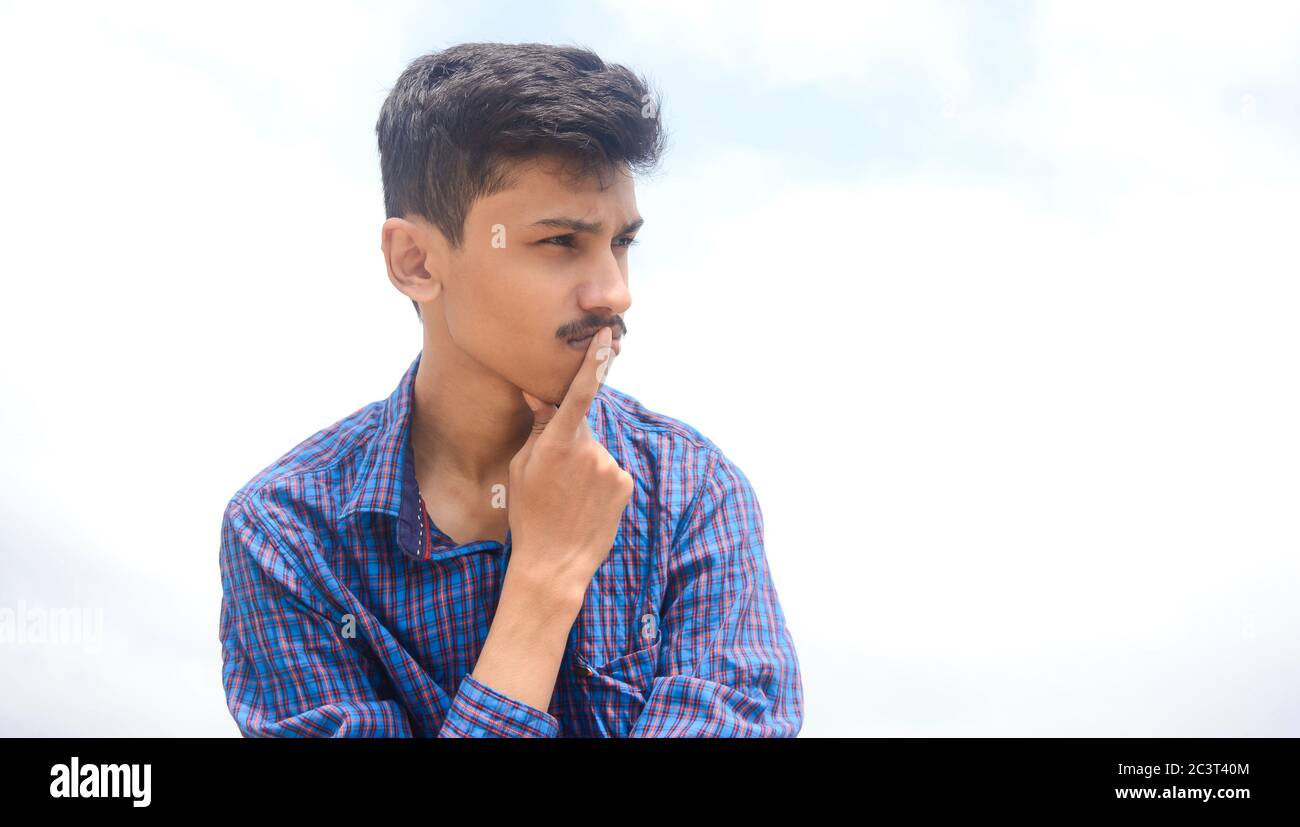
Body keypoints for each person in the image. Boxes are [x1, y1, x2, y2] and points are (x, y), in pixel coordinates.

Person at [218, 42, 803, 737]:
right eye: (560, 242)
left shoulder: (692, 494)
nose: (615, 292)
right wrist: (544, 581)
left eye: (621, 243)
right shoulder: (288, 534)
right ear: (416, 261)